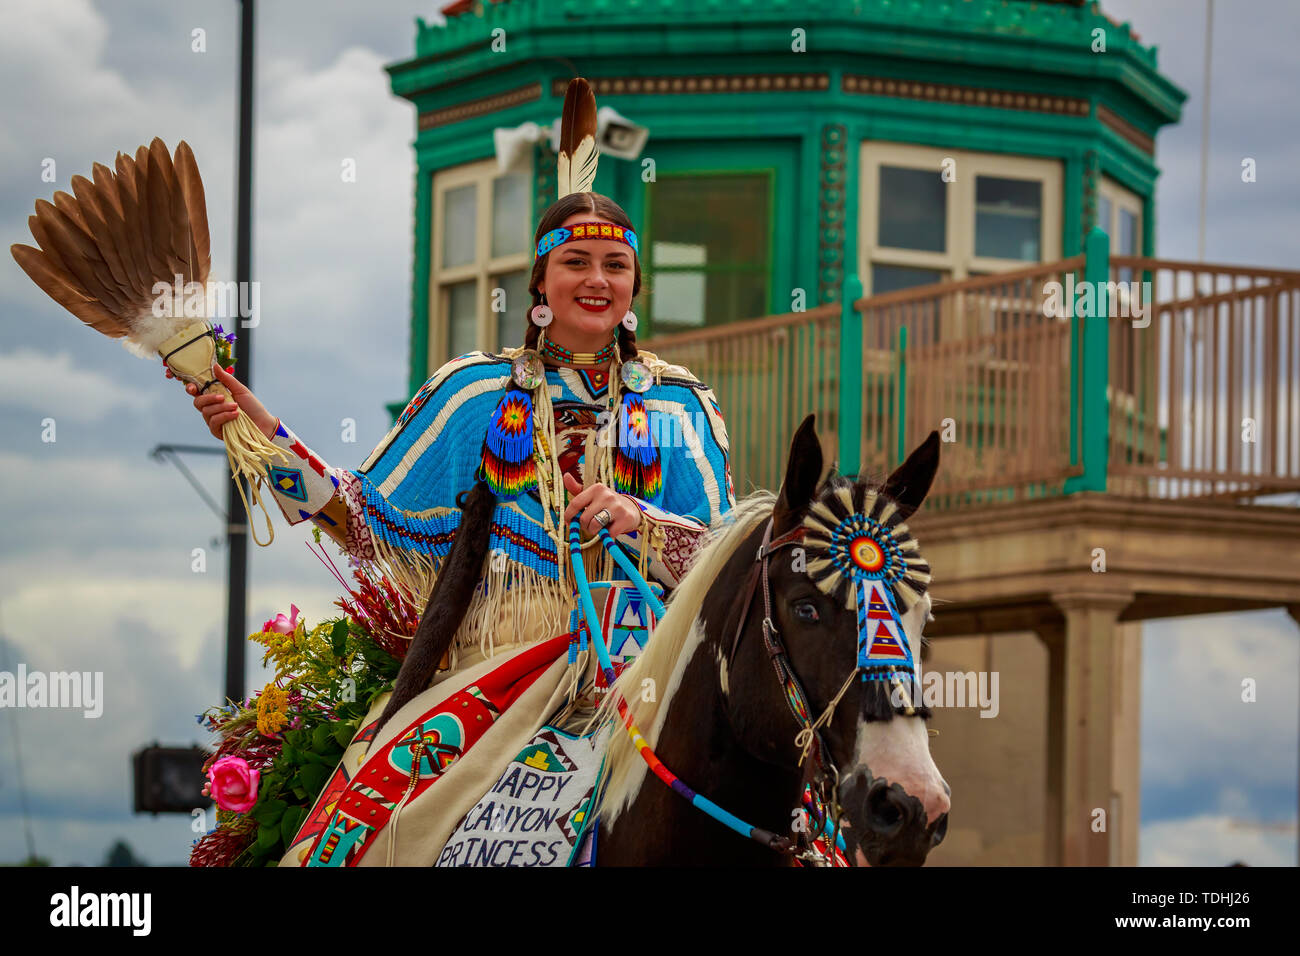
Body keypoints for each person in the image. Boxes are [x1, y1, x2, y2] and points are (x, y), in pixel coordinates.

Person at [171, 82, 736, 866]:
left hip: (644, 685)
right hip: (495, 685)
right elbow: (361, 518)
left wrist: (638, 523)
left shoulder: (681, 405)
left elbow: (722, 565)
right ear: (540, 283)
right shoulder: (475, 393)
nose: (597, 279)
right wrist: (261, 435)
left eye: (615, 263)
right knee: (380, 835)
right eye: (575, 261)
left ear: (635, 286)